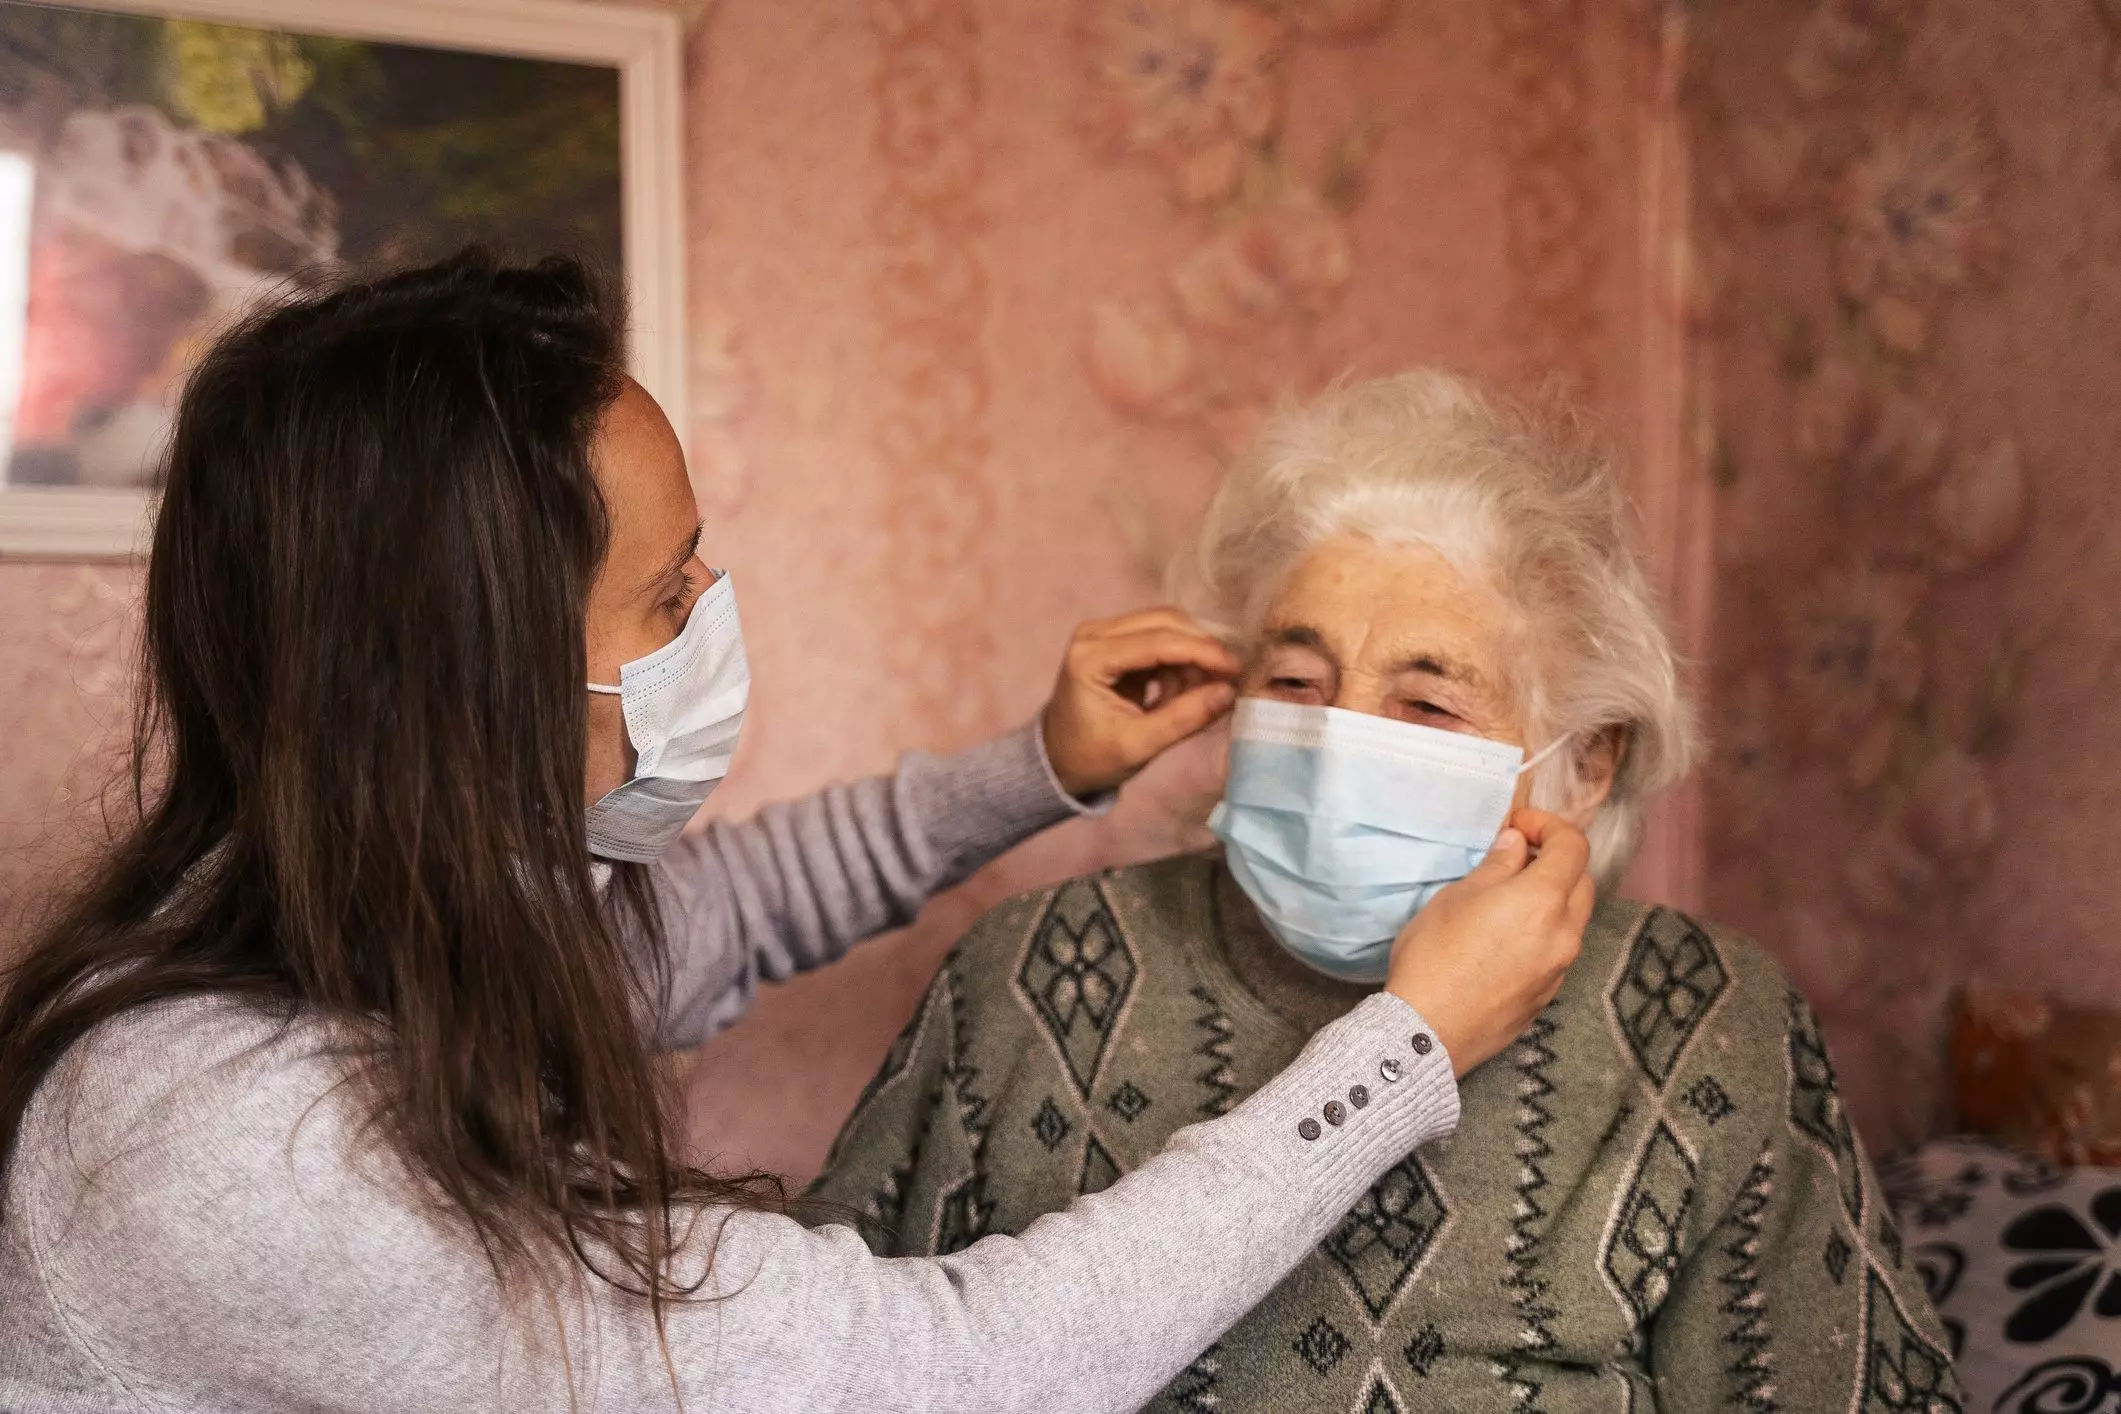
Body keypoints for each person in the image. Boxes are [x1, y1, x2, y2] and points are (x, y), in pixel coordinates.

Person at [0, 254, 1595, 1413]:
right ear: (468, 683)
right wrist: (1405, 1048)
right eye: (669, 593)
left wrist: (1038, 765)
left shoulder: (426, 912)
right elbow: (953, 1370)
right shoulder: (239, 1154)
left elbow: (734, 907)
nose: (716, 614)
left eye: (1425, 700)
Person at [811, 370, 1963, 1412]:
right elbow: (813, 1364)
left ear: (1586, 762)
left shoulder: (1701, 1014)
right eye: (1299, 682)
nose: (1335, 745)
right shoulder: (1031, 969)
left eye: (1425, 705)